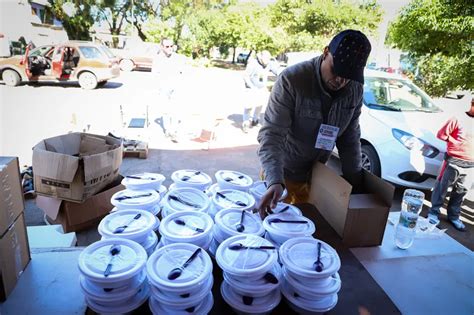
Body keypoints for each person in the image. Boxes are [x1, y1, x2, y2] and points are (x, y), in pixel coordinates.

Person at [256, 29, 371, 218]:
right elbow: (271, 135)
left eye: (349, 75)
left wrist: (356, 183)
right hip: (282, 176)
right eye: (336, 70)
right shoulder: (292, 80)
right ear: (326, 52)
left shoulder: (355, 90)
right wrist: (274, 181)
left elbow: (350, 139)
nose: (340, 80)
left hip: (317, 178)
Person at [427, 99, 473, 231]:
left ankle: (453, 216)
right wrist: (455, 142)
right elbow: (441, 134)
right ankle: (433, 213)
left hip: (471, 164)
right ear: (472, 104)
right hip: (453, 161)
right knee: (441, 188)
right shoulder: (457, 119)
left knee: (461, 191)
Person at [152, 38, 186, 143]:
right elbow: (154, 73)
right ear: (162, 47)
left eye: (172, 46)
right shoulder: (157, 59)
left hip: (175, 87)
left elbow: (182, 72)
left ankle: (174, 131)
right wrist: (158, 86)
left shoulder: (178, 58)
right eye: (167, 46)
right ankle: (167, 130)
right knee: (165, 109)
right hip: (163, 88)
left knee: (175, 109)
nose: (170, 48)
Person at [242, 50, 277, 133]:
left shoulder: (269, 64)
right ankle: (246, 123)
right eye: (265, 59)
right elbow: (245, 76)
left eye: (268, 59)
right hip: (251, 88)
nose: (267, 61)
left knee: (260, 105)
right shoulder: (253, 63)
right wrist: (252, 87)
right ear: (261, 58)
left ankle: (255, 119)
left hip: (261, 88)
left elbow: (277, 71)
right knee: (249, 106)